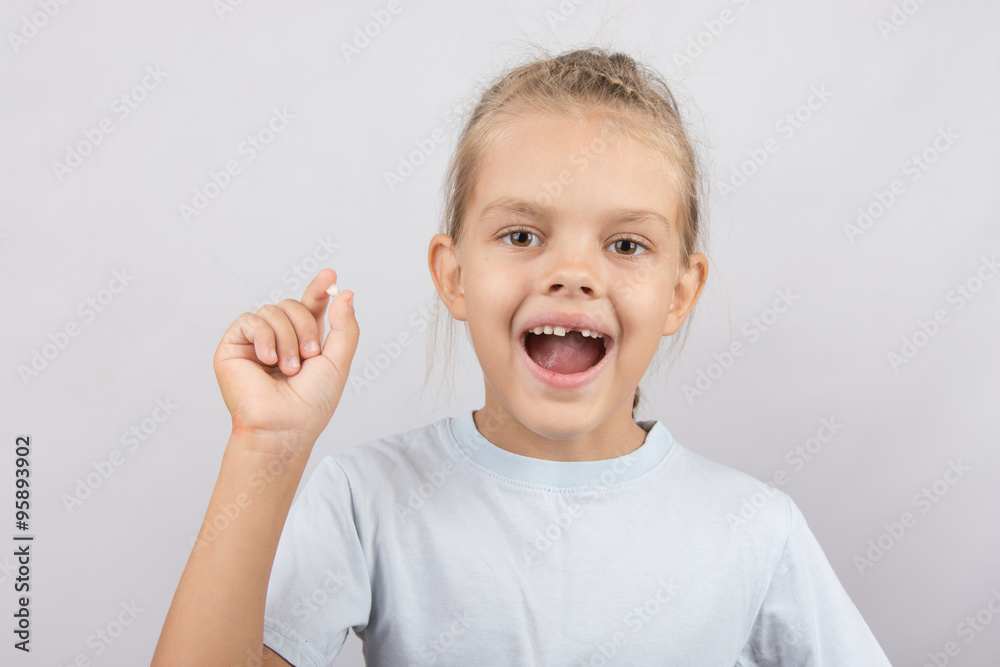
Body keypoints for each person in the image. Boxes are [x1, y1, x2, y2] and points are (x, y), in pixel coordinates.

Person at [153, 47, 891, 666]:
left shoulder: (756, 529)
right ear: (454, 274)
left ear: (678, 291)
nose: (572, 272)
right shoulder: (367, 498)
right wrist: (267, 448)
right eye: (522, 235)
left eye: (625, 244)